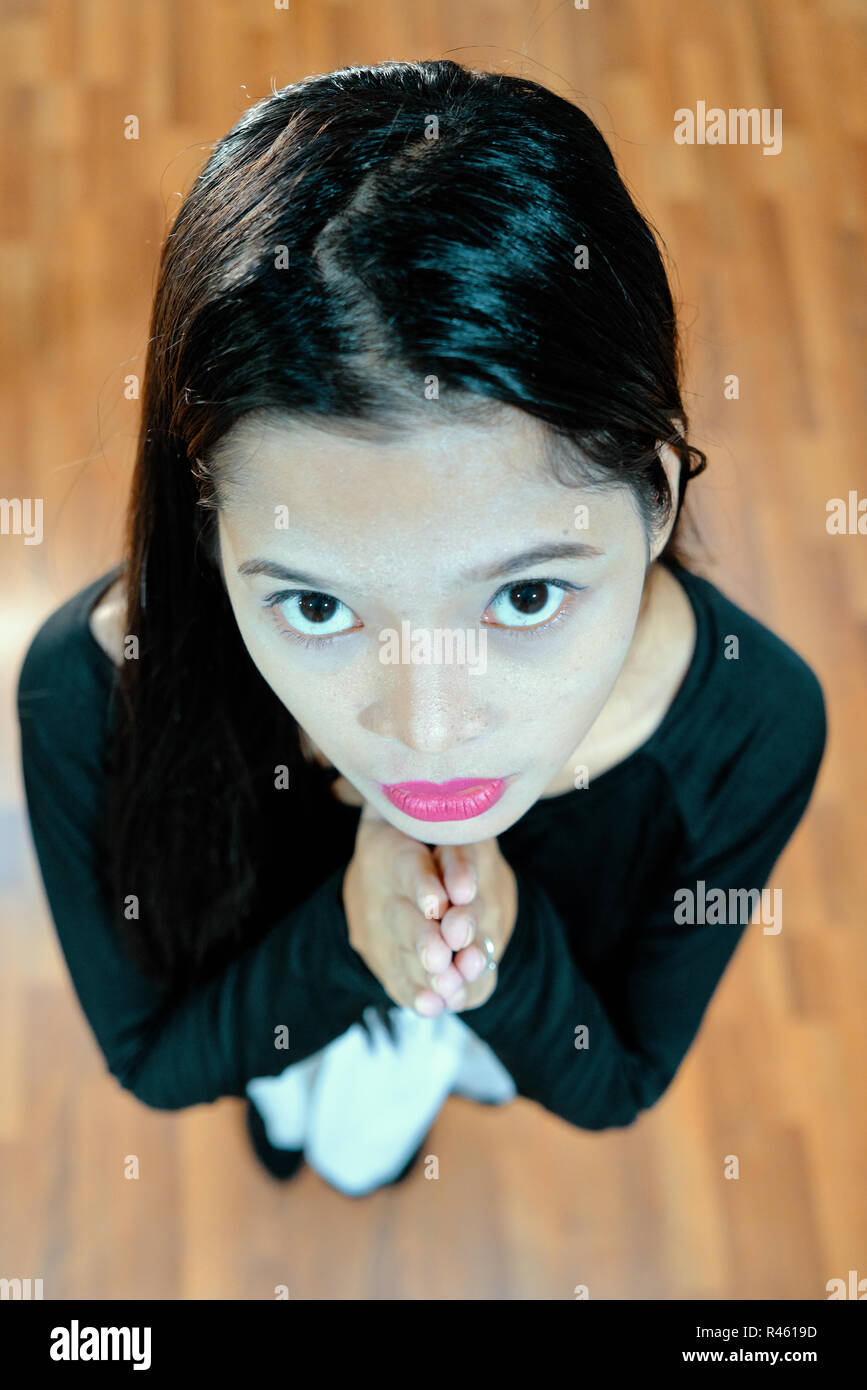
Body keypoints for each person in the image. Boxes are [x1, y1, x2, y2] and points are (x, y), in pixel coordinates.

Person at [16, 59, 826, 1199]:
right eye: (317, 605)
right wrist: (347, 947)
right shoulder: (87, 687)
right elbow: (156, 1056)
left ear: (656, 498)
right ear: (211, 531)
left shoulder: (759, 726)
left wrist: (503, 942)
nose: (431, 736)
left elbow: (621, 1077)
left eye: (527, 596)